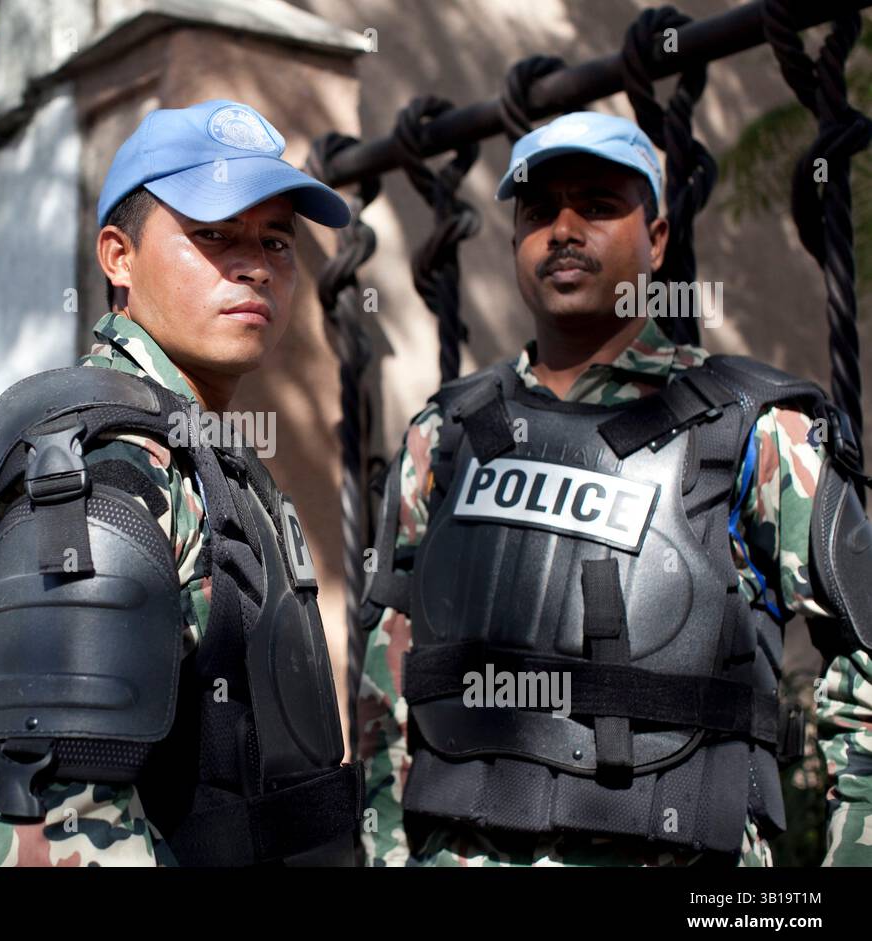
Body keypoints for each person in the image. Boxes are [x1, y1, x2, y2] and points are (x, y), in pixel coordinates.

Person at [358, 111, 872, 866]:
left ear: (657, 241)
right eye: (539, 211)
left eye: (597, 205)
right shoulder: (448, 431)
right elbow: (390, 664)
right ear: (514, 244)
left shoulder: (756, 430)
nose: (564, 229)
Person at [0, 99, 363, 866]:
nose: (253, 264)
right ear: (118, 256)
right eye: (214, 235)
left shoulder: (194, 450)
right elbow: (58, 823)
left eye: (275, 241)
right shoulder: (103, 466)